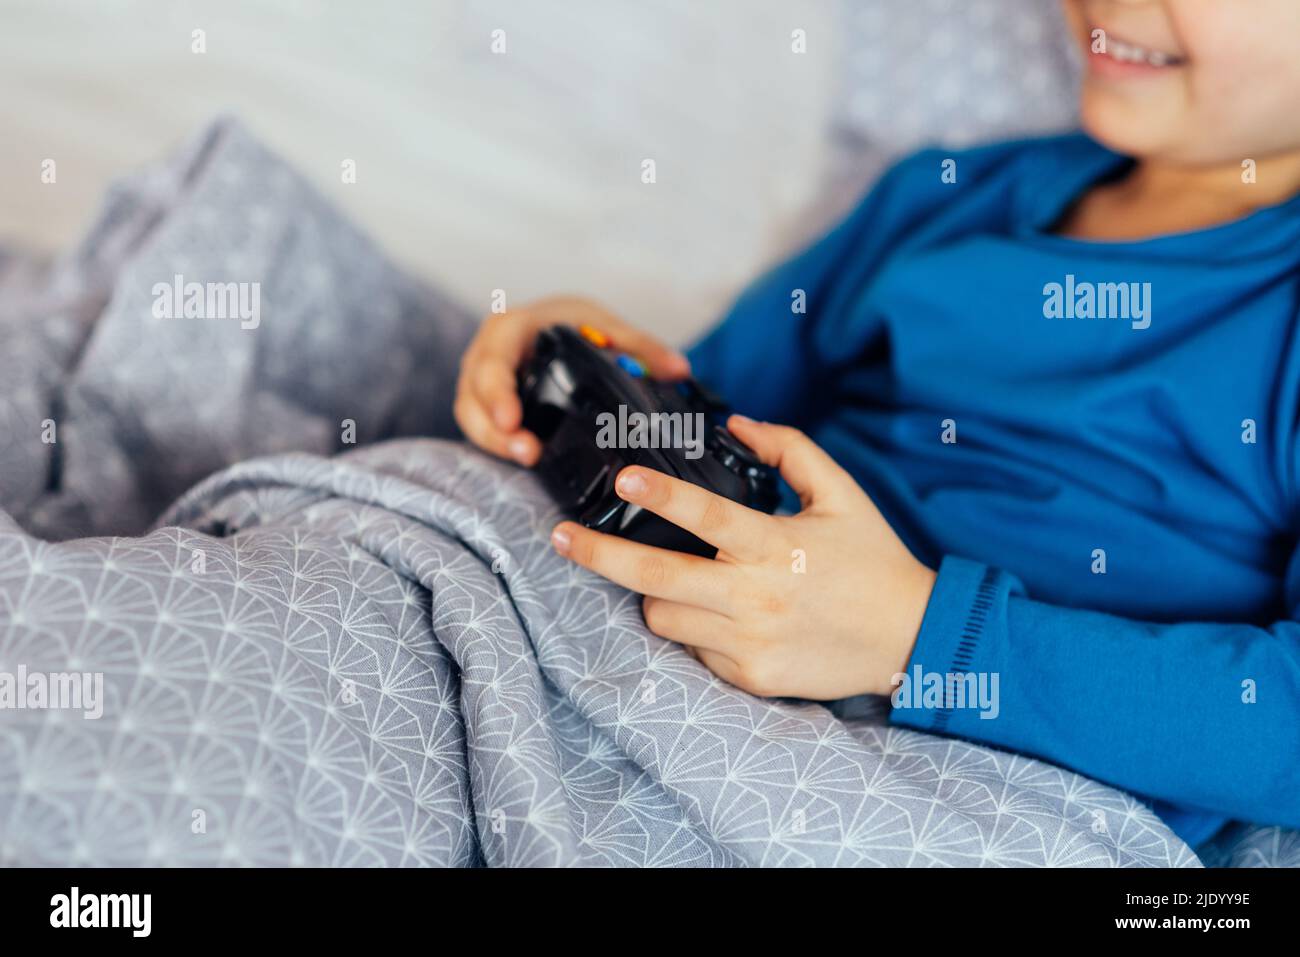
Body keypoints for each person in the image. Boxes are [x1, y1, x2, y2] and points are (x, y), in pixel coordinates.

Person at [453, 0, 1300, 849]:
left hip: (979, 798)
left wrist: (920, 636)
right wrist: (587, 375)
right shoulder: (942, 197)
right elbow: (716, 412)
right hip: (663, 637)